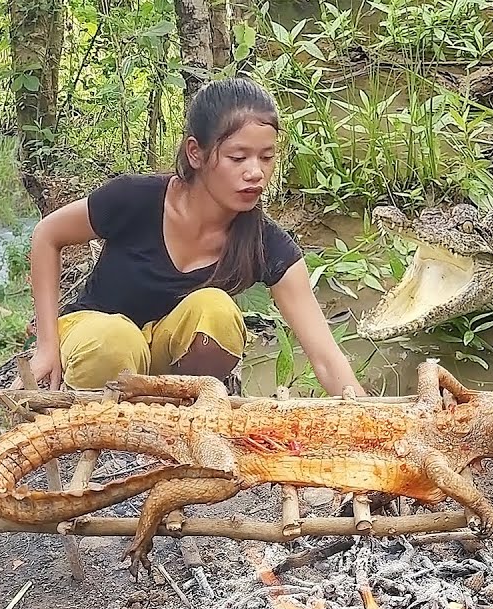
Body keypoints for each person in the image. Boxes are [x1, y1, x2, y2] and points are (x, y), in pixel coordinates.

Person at [24, 76, 366, 398]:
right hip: (94, 341)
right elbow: (47, 235)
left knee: (216, 309)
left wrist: (373, 421)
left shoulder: (265, 243)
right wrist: (46, 345)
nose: (255, 172)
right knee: (117, 341)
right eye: (238, 157)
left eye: (266, 157)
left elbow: (325, 356)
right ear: (195, 153)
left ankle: (178, 410)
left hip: (162, 362)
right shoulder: (134, 199)